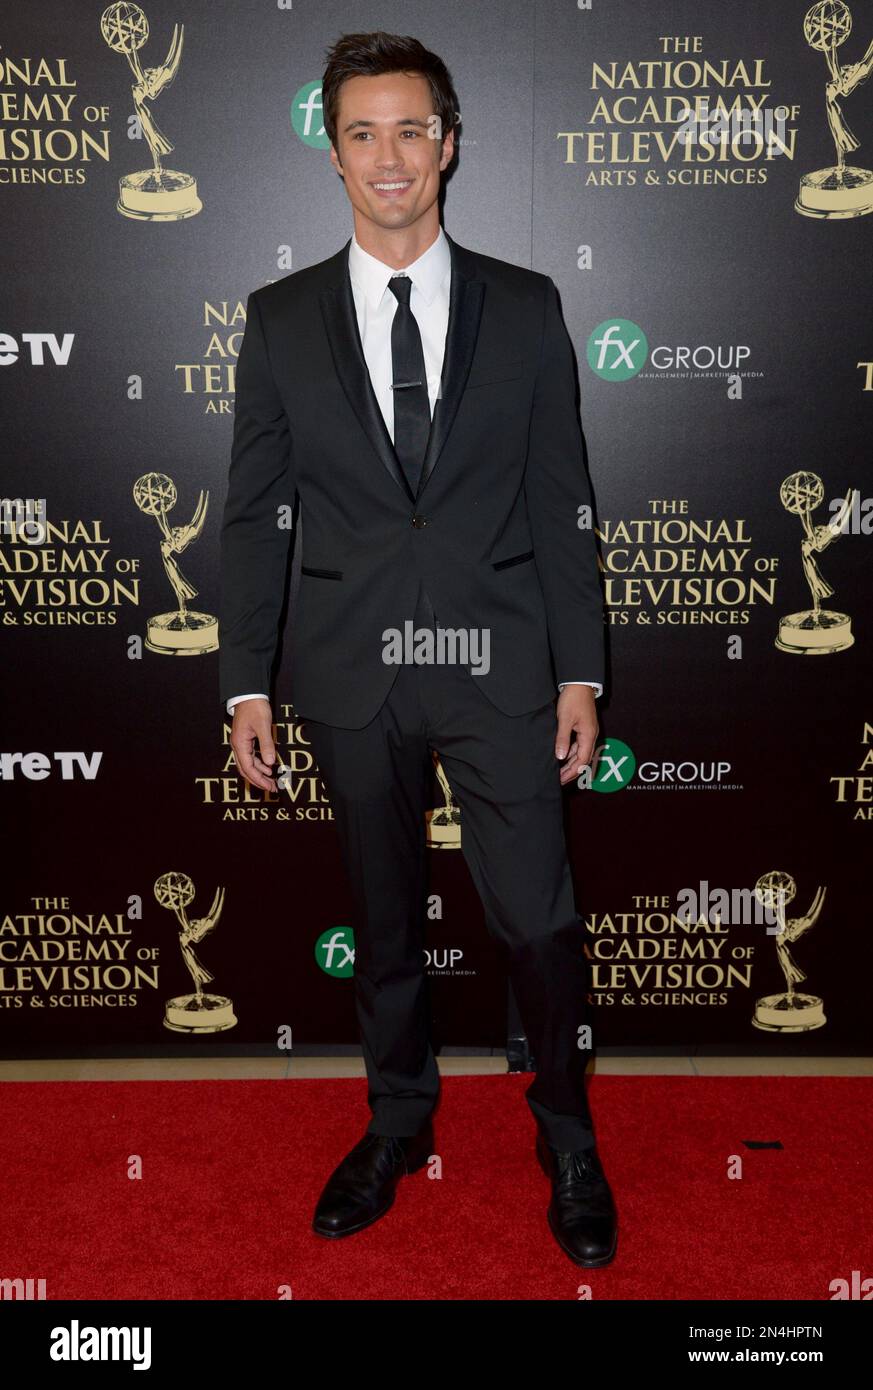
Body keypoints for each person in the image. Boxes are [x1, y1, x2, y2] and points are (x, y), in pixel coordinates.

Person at [218, 29, 617, 1268]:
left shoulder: (530, 303)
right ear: (330, 150)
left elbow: (563, 498)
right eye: (361, 132)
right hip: (349, 671)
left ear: (451, 142)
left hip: (500, 665)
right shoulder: (279, 319)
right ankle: (397, 1120)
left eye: (411, 130)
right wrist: (245, 676)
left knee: (541, 923)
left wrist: (580, 669)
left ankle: (565, 1133)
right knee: (382, 921)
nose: (389, 157)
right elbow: (252, 508)